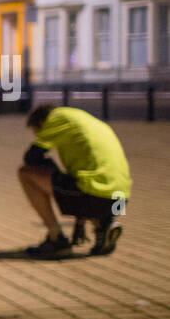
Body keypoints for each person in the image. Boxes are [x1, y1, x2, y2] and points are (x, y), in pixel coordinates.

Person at [18, 104, 131, 259]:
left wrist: (51, 167)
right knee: (76, 185)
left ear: (41, 123)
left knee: (26, 173)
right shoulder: (87, 121)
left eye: (37, 132)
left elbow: (32, 157)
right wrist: (80, 221)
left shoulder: (55, 119)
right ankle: (104, 225)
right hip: (120, 201)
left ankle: (56, 239)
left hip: (95, 196)